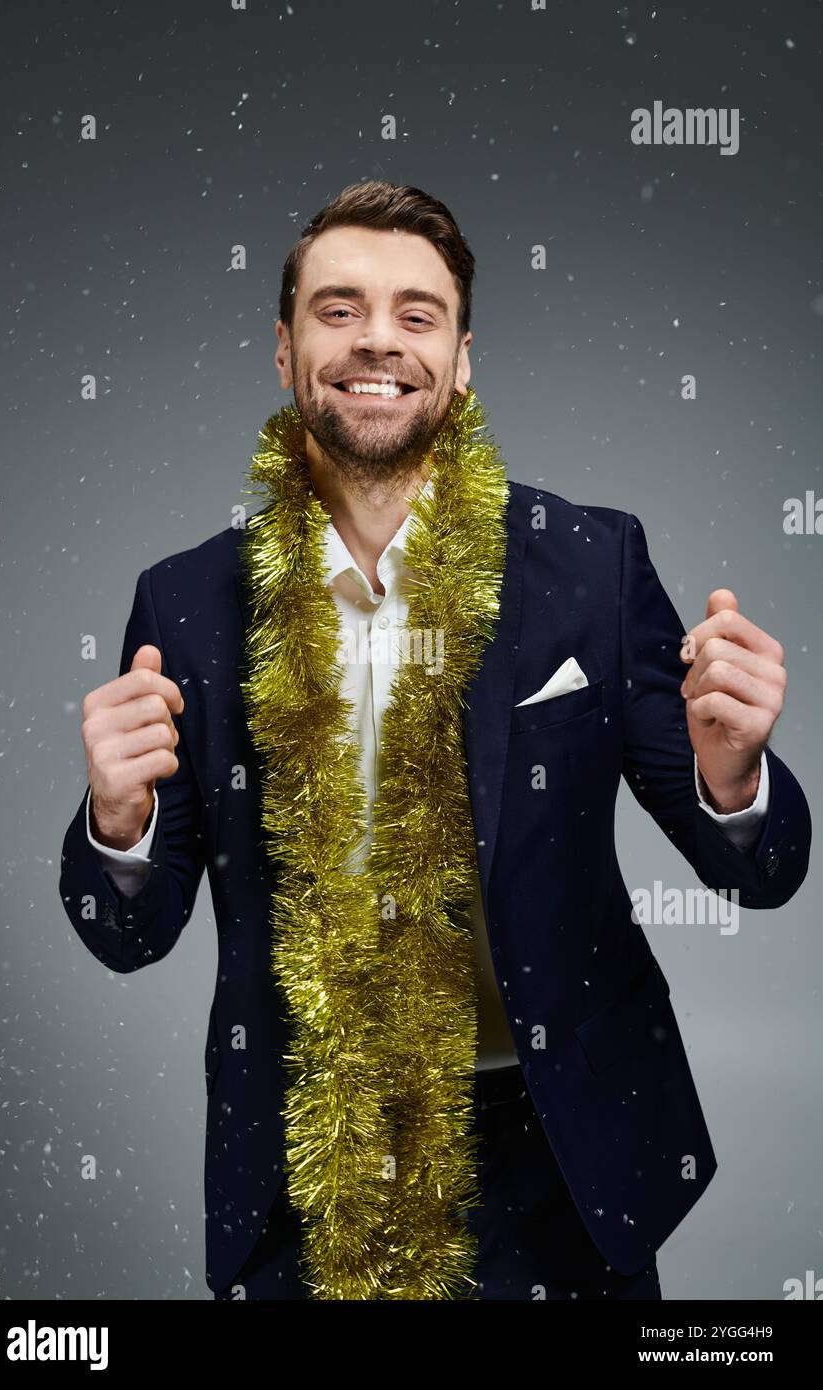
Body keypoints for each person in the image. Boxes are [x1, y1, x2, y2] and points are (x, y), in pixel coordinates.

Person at [59, 181, 811, 1301]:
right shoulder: (184, 603)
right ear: (283, 350)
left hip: (552, 1156)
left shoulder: (589, 567)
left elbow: (758, 869)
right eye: (337, 308)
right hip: (304, 1156)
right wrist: (115, 823)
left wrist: (731, 773)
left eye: (417, 315)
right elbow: (131, 934)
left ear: (461, 359)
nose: (376, 338)